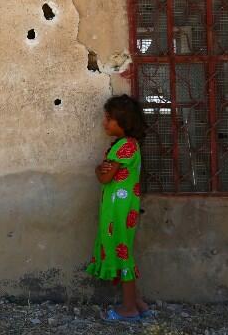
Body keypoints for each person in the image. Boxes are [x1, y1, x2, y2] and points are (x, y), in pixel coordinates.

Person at [85, 94, 153, 322]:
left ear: (123, 121)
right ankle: (138, 303)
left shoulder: (123, 147)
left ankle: (128, 309)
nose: (105, 123)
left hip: (118, 210)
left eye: (109, 118)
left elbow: (104, 178)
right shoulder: (130, 145)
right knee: (124, 251)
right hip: (124, 208)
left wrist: (97, 169)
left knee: (122, 254)